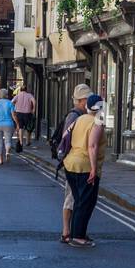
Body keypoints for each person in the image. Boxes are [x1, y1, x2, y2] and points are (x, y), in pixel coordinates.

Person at [62, 93, 106, 248]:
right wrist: (94, 169)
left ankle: (76, 232)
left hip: (70, 164)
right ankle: (78, 237)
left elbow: (65, 135)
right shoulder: (97, 122)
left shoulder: (79, 119)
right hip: (85, 166)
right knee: (86, 202)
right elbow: (92, 146)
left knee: (79, 200)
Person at [53, 84, 91, 243]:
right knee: (71, 197)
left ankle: (75, 231)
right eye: (88, 98)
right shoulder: (74, 116)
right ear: (82, 100)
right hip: (73, 163)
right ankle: (66, 231)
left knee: (78, 198)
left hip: (76, 163)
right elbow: (66, 140)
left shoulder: (82, 115)